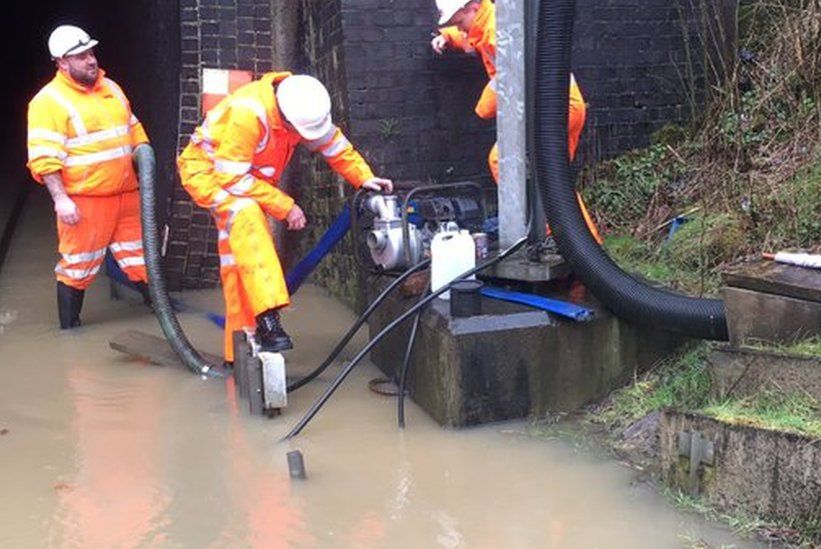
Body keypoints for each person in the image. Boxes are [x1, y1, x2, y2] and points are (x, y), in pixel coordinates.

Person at [178, 72, 393, 365]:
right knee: (246, 214)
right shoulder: (249, 114)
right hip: (209, 174)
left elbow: (335, 147)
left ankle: (237, 351)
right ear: (288, 120)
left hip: (244, 178)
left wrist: (365, 179)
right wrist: (285, 206)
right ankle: (268, 316)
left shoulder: (300, 107)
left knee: (238, 263)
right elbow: (229, 177)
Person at [432, 0, 603, 243]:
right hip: (559, 105)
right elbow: (468, 40)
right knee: (553, 180)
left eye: (458, 22)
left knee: (504, 160)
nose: (459, 29)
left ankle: (557, 238)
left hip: (557, 108)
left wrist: (483, 107)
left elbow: (509, 76)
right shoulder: (485, 25)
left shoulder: (495, 31)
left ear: (474, 6)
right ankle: (581, 246)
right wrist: (447, 37)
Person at [26, 24, 152, 330]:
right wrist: (61, 200)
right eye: (81, 56)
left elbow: (132, 126)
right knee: (77, 267)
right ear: (62, 62)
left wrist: (144, 149)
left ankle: (163, 316)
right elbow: (44, 157)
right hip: (86, 203)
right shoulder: (48, 102)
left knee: (144, 264)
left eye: (91, 52)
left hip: (127, 196)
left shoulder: (111, 88)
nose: (91, 60)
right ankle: (70, 330)